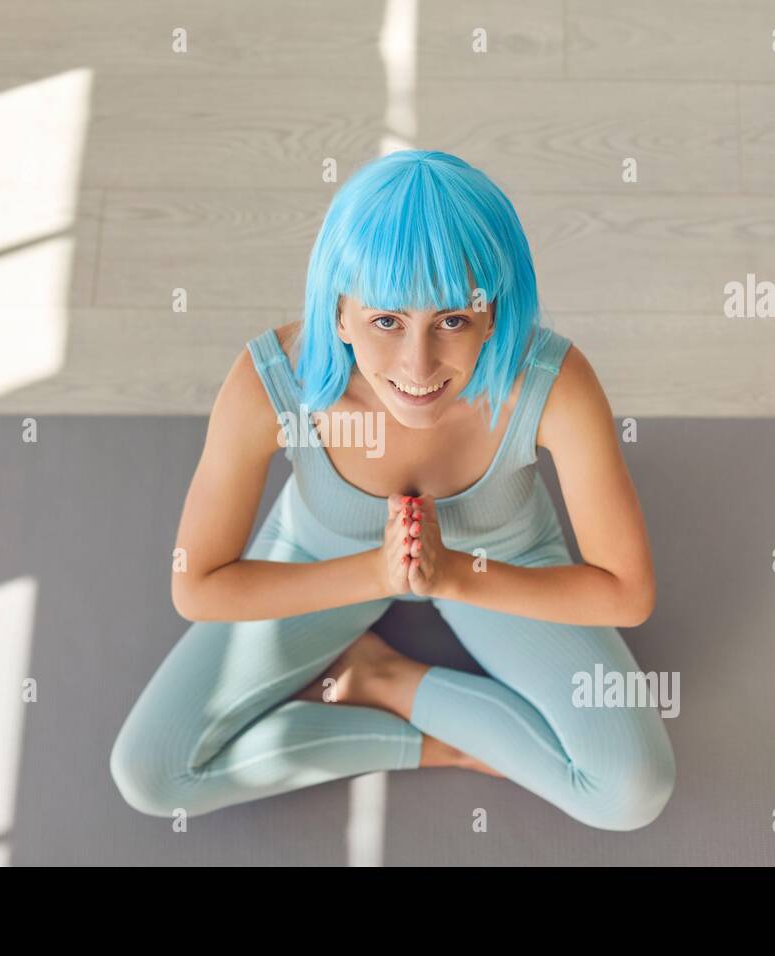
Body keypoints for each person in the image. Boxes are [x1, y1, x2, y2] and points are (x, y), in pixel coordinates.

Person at [110, 149, 675, 831]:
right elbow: (196, 584)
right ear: (338, 314)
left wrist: (456, 575)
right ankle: (428, 741)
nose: (418, 365)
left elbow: (626, 592)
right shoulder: (269, 383)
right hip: (320, 559)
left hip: (503, 564)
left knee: (631, 793)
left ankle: (381, 678)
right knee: (148, 773)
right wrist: (377, 575)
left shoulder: (555, 380)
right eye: (386, 321)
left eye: (453, 320)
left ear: (494, 313)